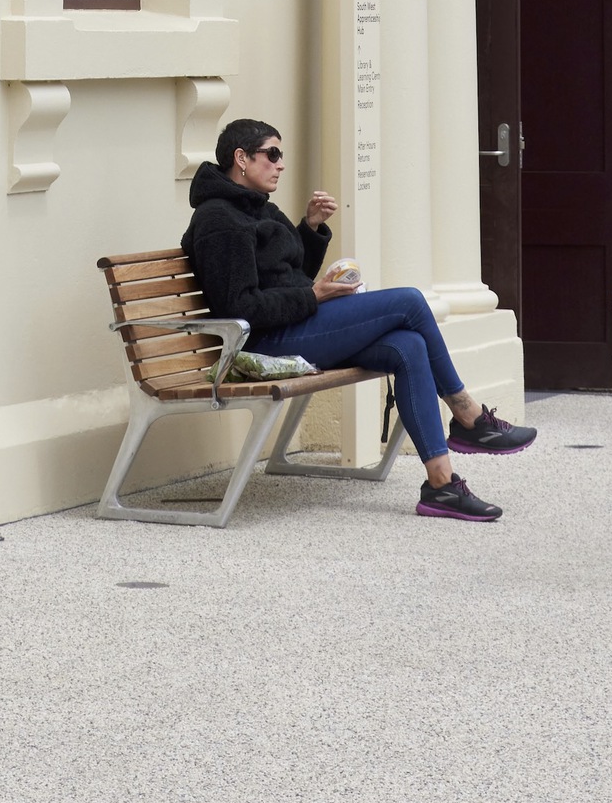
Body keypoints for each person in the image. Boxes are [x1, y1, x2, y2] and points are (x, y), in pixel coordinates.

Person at [183, 116, 535, 523]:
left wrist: (310, 228)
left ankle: (442, 486)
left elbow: (287, 271)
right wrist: (312, 295)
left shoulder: (258, 208)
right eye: (272, 154)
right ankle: (466, 413)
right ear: (241, 158)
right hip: (264, 345)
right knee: (410, 301)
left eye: (282, 156)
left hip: (294, 327)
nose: (281, 164)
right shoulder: (219, 221)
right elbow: (239, 307)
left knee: (409, 345)